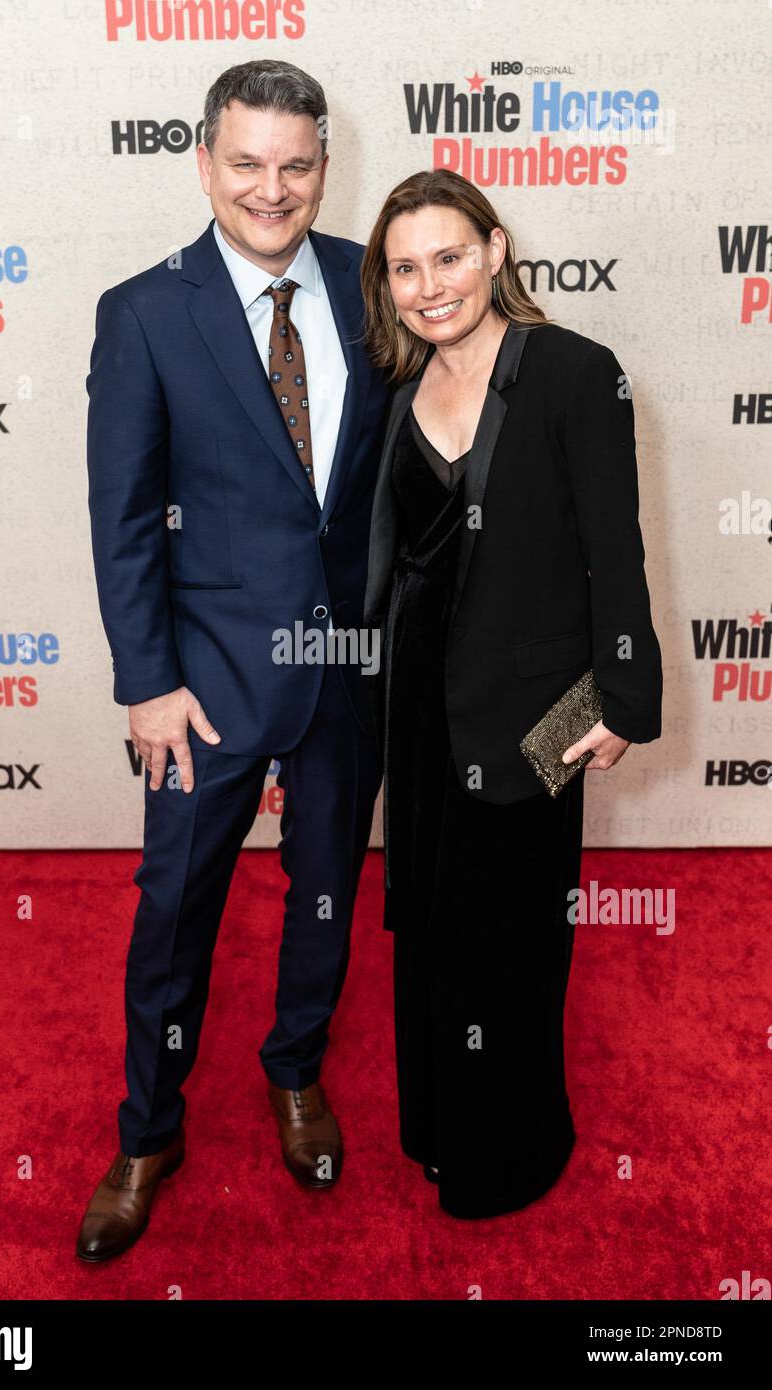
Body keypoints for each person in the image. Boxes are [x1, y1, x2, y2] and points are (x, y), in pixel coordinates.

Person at [77, 60, 388, 1262]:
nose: (273, 188)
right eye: (247, 162)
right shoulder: (144, 311)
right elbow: (123, 517)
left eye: (296, 164)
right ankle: (149, 1129)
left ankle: (296, 1071)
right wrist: (148, 683)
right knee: (174, 913)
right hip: (199, 685)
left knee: (325, 892)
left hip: (347, 669)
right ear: (203, 161)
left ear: (324, 165)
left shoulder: (375, 283)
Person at [361, 169, 663, 1220]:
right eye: (405, 267)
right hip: (421, 716)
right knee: (437, 928)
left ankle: (515, 1147)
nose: (430, 284)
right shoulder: (403, 396)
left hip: (539, 716)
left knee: (517, 932)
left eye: (449, 256)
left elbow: (610, 552)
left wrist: (620, 698)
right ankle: (444, 1128)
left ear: (496, 249)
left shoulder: (577, 373)